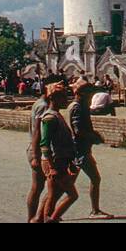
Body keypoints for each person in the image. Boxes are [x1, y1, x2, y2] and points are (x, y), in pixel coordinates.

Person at [69, 77, 111, 218]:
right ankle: (95, 210)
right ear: (82, 93)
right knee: (95, 178)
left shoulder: (80, 106)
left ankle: (49, 212)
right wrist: (93, 136)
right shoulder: (78, 107)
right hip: (80, 149)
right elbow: (78, 131)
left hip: (81, 149)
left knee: (67, 183)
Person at [37, 83, 80, 222]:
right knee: (71, 195)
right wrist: (52, 167)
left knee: (52, 195)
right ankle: (51, 219)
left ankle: (46, 218)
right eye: (62, 97)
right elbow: (44, 144)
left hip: (61, 160)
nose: (66, 100)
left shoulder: (57, 115)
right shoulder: (49, 117)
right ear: (53, 98)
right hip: (54, 161)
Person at [26, 76, 58, 222]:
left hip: (38, 149)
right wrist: (35, 155)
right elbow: (38, 132)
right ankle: (35, 217)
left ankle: (41, 216)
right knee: (40, 187)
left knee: (42, 187)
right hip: (39, 151)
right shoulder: (44, 106)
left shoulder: (39, 103)